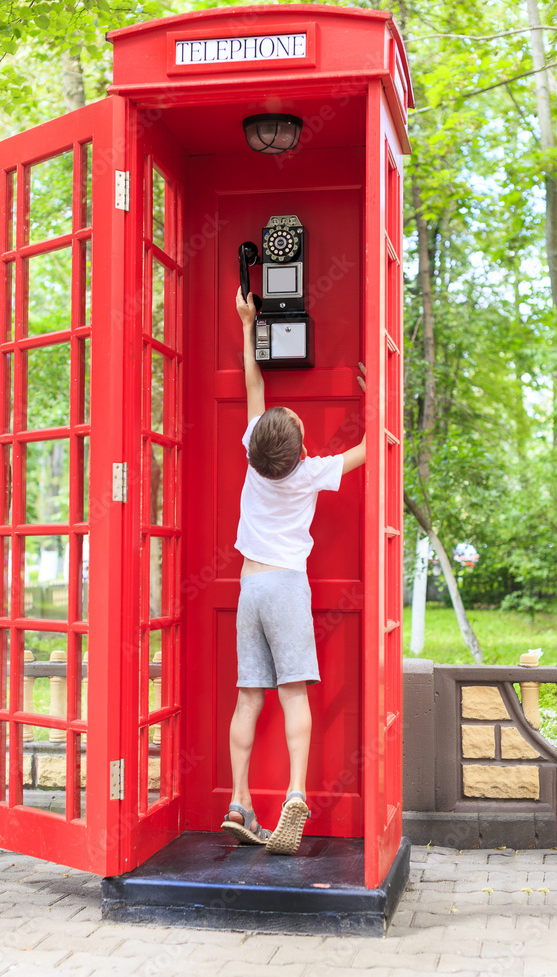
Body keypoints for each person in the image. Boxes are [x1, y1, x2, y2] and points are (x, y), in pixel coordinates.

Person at [220, 287, 366, 856]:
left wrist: (246, 324)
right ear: (301, 448)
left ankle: (237, 802)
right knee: (294, 693)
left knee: (247, 697)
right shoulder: (309, 472)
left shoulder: (253, 457)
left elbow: (254, 383)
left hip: (248, 586)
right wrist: (372, 390)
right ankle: (295, 794)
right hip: (285, 586)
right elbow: (369, 451)